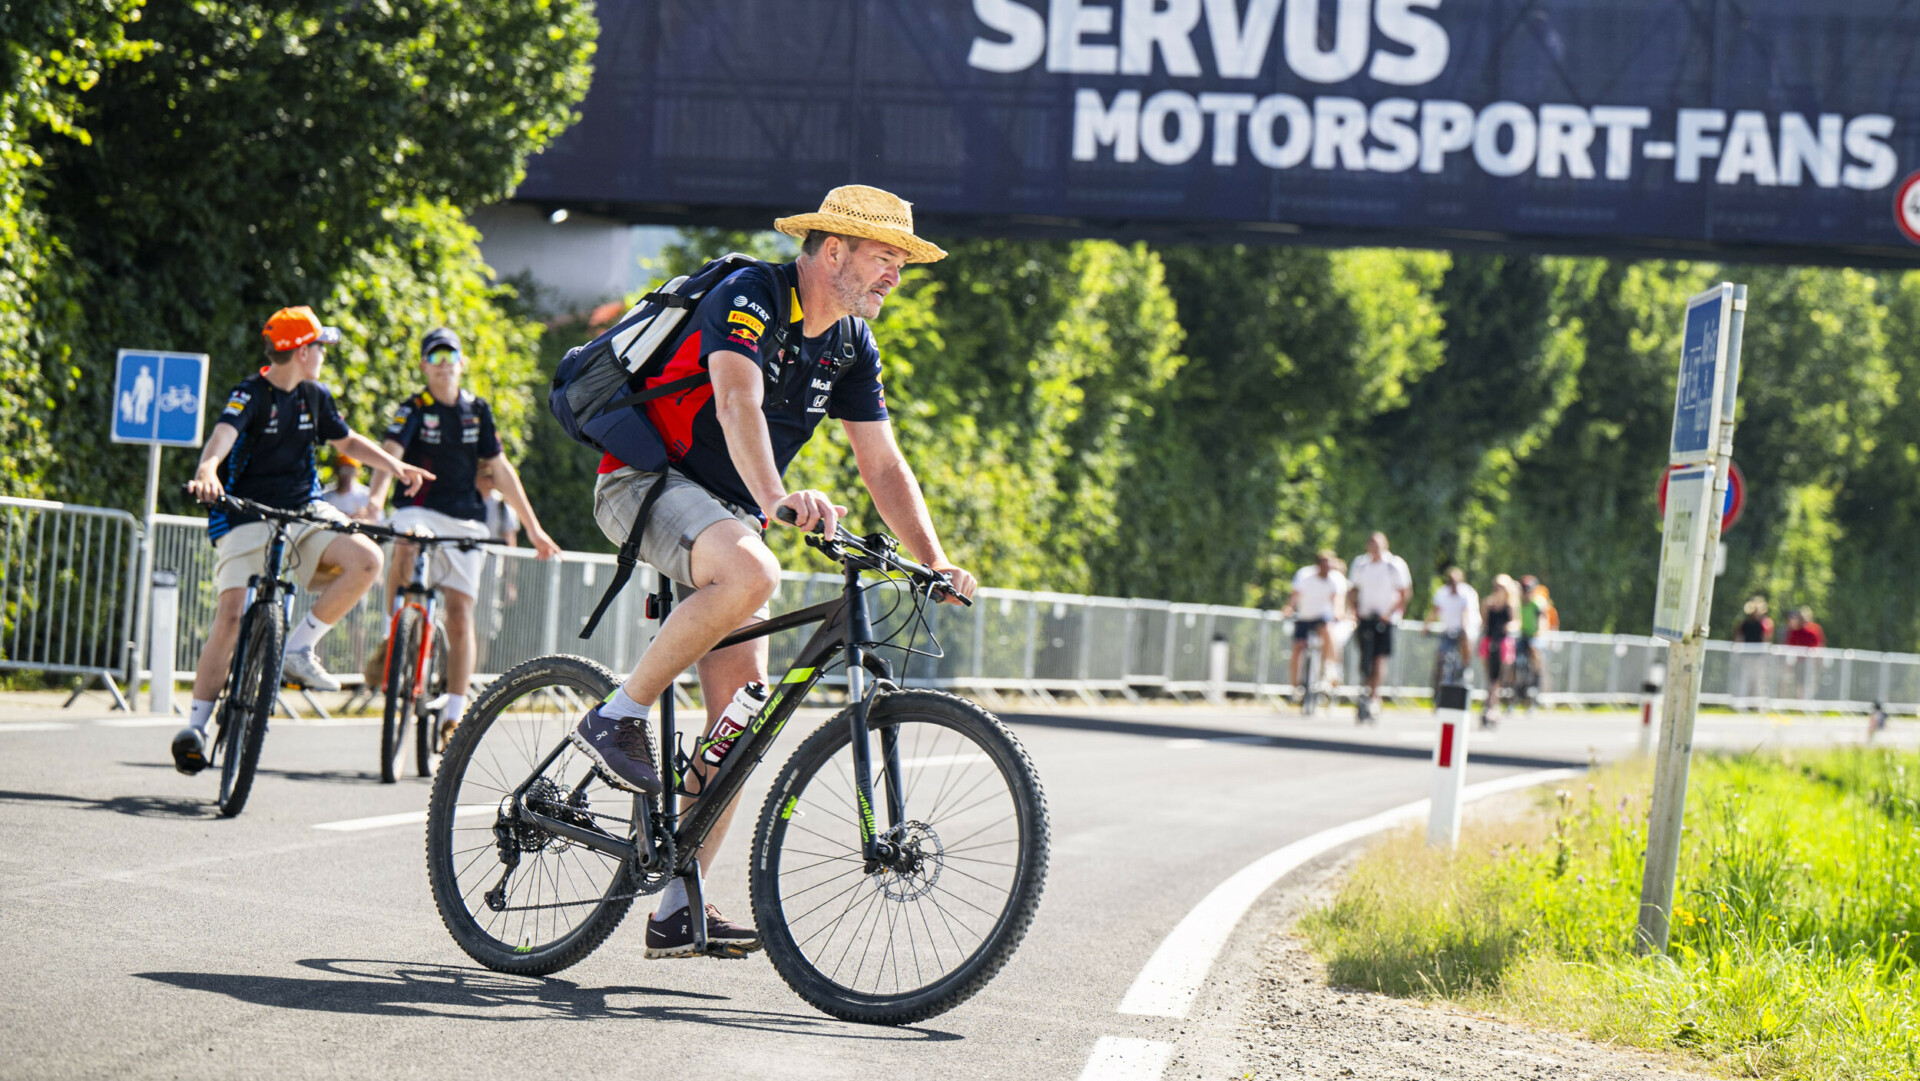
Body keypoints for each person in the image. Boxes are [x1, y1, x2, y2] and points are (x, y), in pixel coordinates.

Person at [568, 185, 977, 959]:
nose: (896, 274)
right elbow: (735, 402)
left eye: (901, 261)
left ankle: (674, 904)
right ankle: (616, 714)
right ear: (834, 251)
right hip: (644, 482)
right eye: (885, 257)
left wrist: (933, 559)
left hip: (727, 511)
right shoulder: (750, 294)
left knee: (743, 724)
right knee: (757, 571)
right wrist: (776, 499)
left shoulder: (851, 342)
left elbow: (882, 463)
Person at [174, 306, 432, 774]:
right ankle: (196, 725)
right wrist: (207, 471)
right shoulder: (250, 393)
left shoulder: (315, 395)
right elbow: (222, 437)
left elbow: (347, 441)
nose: (323, 355)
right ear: (301, 351)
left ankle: (297, 646)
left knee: (367, 559)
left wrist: (396, 467)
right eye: (320, 347)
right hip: (245, 514)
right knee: (231, 615)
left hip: (304, 512)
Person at [364, 328, 561, 740]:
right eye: (434, 358)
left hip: (465, 521)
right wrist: (375, 499)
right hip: (418, 508)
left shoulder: (478, 410)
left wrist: (534, 528)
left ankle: (455, 714)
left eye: (449, 356)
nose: (443, 365)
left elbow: (501, 469)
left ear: (461, 363)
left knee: (460, 614)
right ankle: (392, 636)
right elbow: (391, 454)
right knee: (406, 541)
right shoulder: (413, 408)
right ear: (423, 366)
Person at [1347, 532, 1412, 721]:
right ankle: (1364, 692)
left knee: (1378, 659)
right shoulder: (1361, 564)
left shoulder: (1394, 565)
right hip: (1365, 617)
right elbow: (1353, 589)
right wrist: (1354, 610)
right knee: (1364, 656)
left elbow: (1404, 592)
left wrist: (1390, 613)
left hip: (1385, 619)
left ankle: (1374, 696)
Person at [1285, 549, 1347, 705]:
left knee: (1328, 631)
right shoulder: (1305, 575)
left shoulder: (1336, 579)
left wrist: (1338, 612)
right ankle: (1295, 687)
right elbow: (1295, 595)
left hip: (1322, 617)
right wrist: (1289, 607)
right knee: (1298, 647)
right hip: (1305, 616)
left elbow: (1337, 599)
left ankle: (1329, 668)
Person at [1427, 566, 1479, 694]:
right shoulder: (1442, 593)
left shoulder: (1466, 593)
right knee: (1441, 655)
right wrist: (1426, 626)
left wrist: (1464, 630)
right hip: (1449, 629)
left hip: (1465, 628)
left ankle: (1465, 666)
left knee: (1466, 642)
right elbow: (1434, 611)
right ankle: (1438, 690)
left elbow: (1465, 614)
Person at [1480, 574, 1519, 725]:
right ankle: (1490, 705)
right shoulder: (1488, 604)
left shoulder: (1510, 605)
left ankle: (1493, 705)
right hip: (1489, 642)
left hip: (1503, 643)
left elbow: (1515, 622)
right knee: (1490, 677)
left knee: (1498, 679)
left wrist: (1508, 627)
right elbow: (1484, 623)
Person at [1734, 595, 1773, 707]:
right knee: (1745, 678)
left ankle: (1759, 704)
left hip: (1759, 656)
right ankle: (1741, 703)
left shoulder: (1764, 623)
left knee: (1759, 680)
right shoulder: (1745, 623)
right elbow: (1739, 636)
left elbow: (1767, 638)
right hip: (1747, 655)